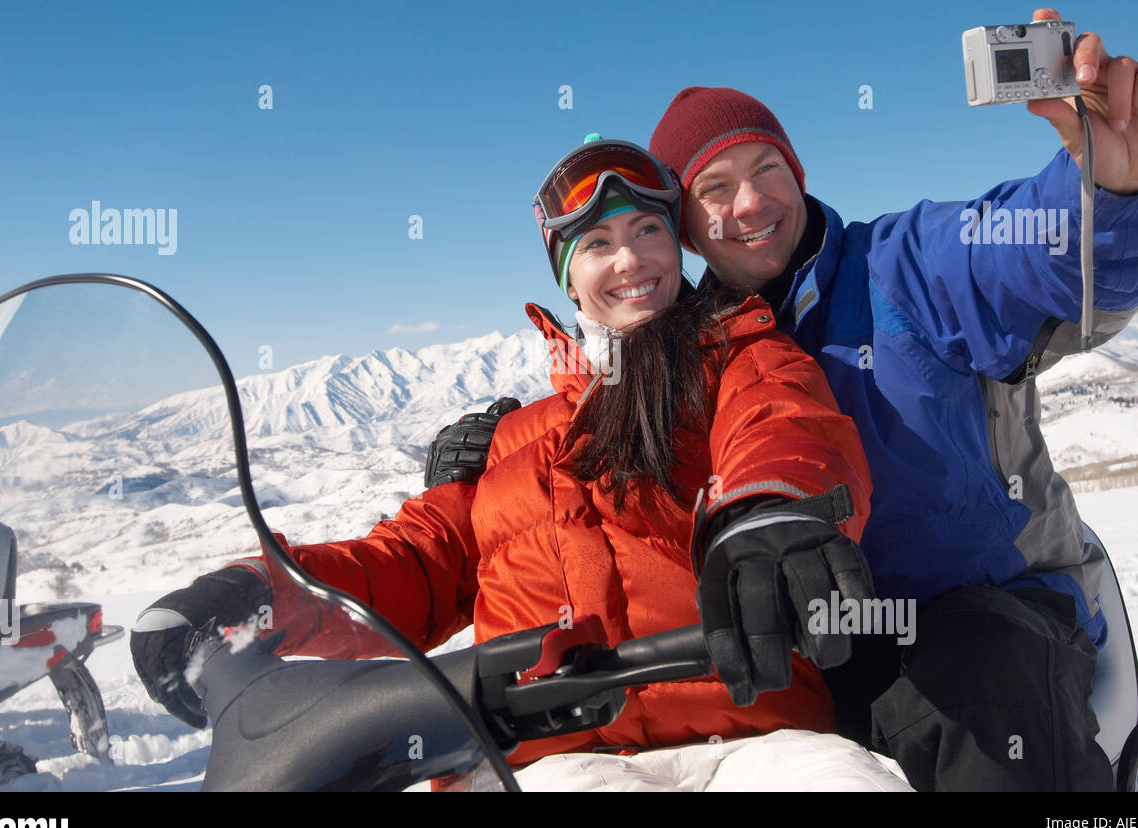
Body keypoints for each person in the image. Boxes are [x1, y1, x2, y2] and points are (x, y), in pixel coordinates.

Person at [428, 10, 1138, 791]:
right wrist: (495, 456)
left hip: (988, 617)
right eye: (716, 188)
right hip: (813, 648)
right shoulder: (686, 353)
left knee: (972, 690)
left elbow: (1042, 259)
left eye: (768, 171)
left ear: (799, 173)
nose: (751, 204)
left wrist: (1114, 187)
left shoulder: (910, 267)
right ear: (684, 226)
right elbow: (601, 458)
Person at [132, 137, 907, 788]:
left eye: (648, 231)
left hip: (753, 735)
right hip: (552, 755)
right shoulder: (505, 442)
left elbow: (785, 427)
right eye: (598, 243)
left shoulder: (739, 357)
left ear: (678, 247)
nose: (629, 258)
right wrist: (260, 587)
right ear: (566, 275)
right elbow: (407, 564)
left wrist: (767, 509)